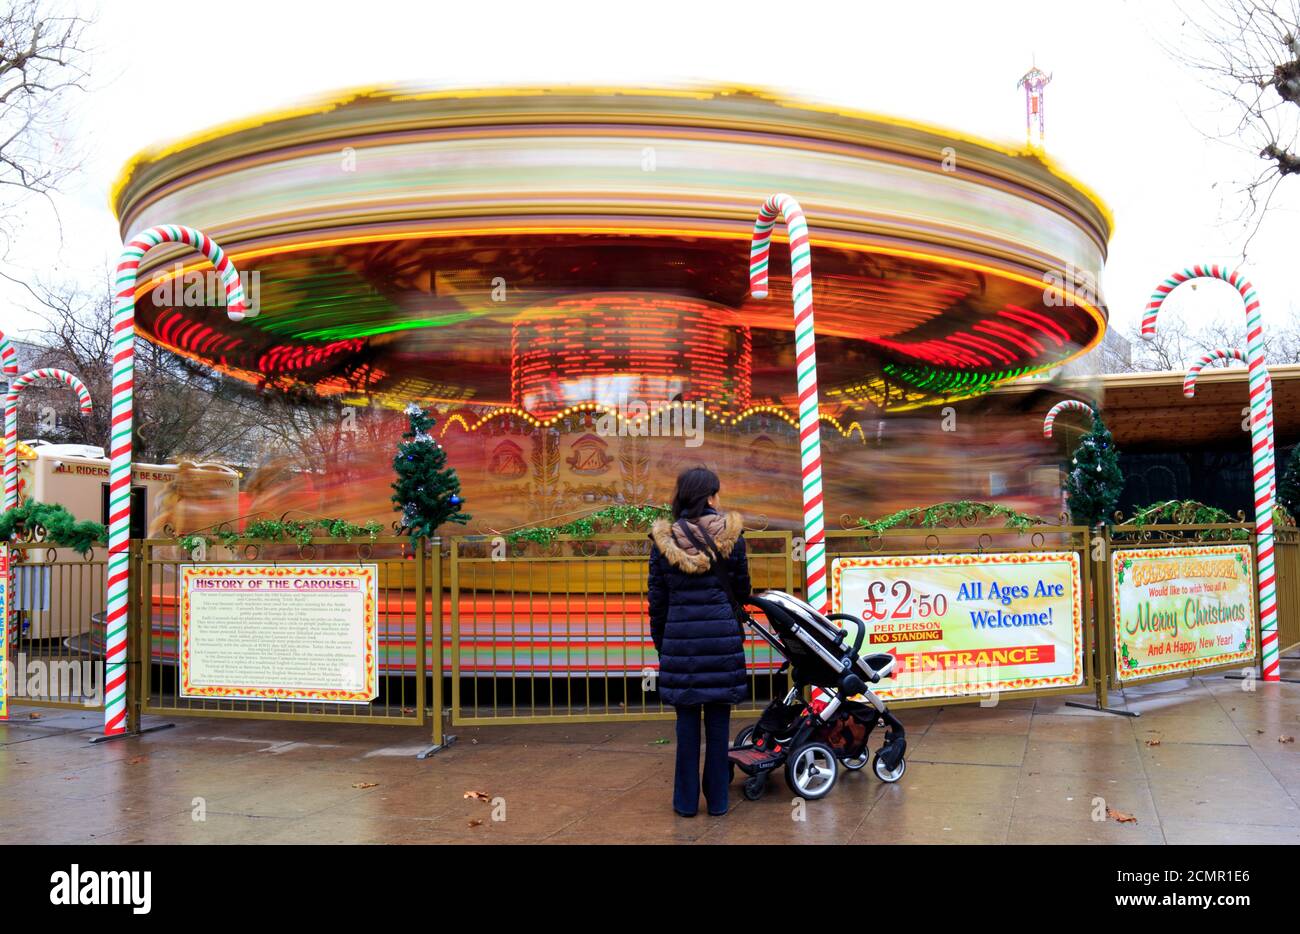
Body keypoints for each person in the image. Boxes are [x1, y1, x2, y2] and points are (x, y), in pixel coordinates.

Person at [647, 466, 751, 817]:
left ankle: (685, 803)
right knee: (719, 727)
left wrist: (664, 644)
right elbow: (742, 590)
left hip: (680, 642)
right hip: (722, 642)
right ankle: (719, 802)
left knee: (686, 727)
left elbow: (657, 601)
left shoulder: (664, 542)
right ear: (710, 496)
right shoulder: (732, 536)